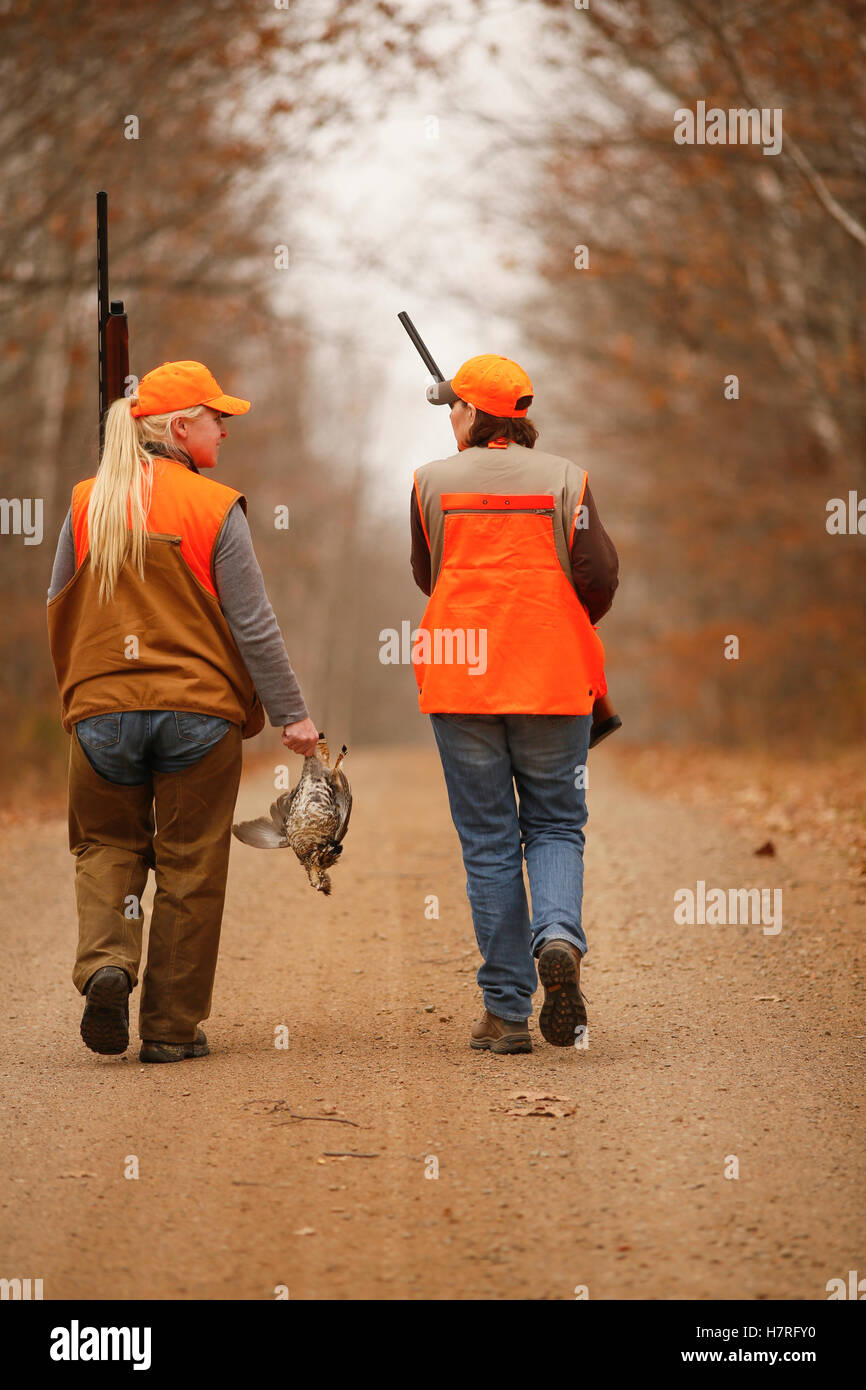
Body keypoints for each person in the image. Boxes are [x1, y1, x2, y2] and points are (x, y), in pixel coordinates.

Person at [46, 360, 319, 1063]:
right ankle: (169, 1029)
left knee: (106, 847)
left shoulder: (86, 502)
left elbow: (61, 610)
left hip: (102, 710)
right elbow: (253, 624)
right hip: (199, 718)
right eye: (214, 416)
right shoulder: (214, 507)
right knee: (192, 865)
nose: (224, 429)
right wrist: (292, 715)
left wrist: (79, 696)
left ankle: (108, 965)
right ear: (177, 426)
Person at [410, 354, 619, 1054]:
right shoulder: (568, 479)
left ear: (471, 413)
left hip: (460, 680)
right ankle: (557, 936)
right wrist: (553, 613)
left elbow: (426, 572)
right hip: (552, 676)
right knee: (557, 825)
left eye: (455, 408)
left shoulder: (429, 483)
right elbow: (600, 578)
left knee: (490, 842)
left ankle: (506, 1014)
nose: (450, 419)